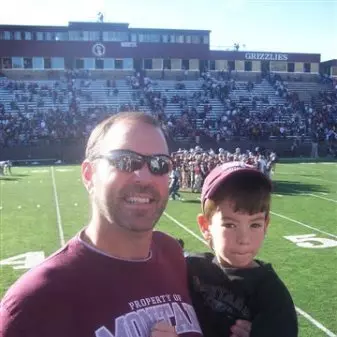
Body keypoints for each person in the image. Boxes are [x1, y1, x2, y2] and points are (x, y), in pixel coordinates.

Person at [0, 112, 203, 337]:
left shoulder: (171, 253)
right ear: (89, 175)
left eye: (160, 164)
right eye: (125, 161)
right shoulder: (34, 302)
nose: (144, 177)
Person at [186, 161, 298, 337]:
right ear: (206, 226)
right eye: (230, 225)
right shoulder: (192, 266)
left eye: (254, 225)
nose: (244, 239)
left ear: (265, 225)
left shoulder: (273, 297)